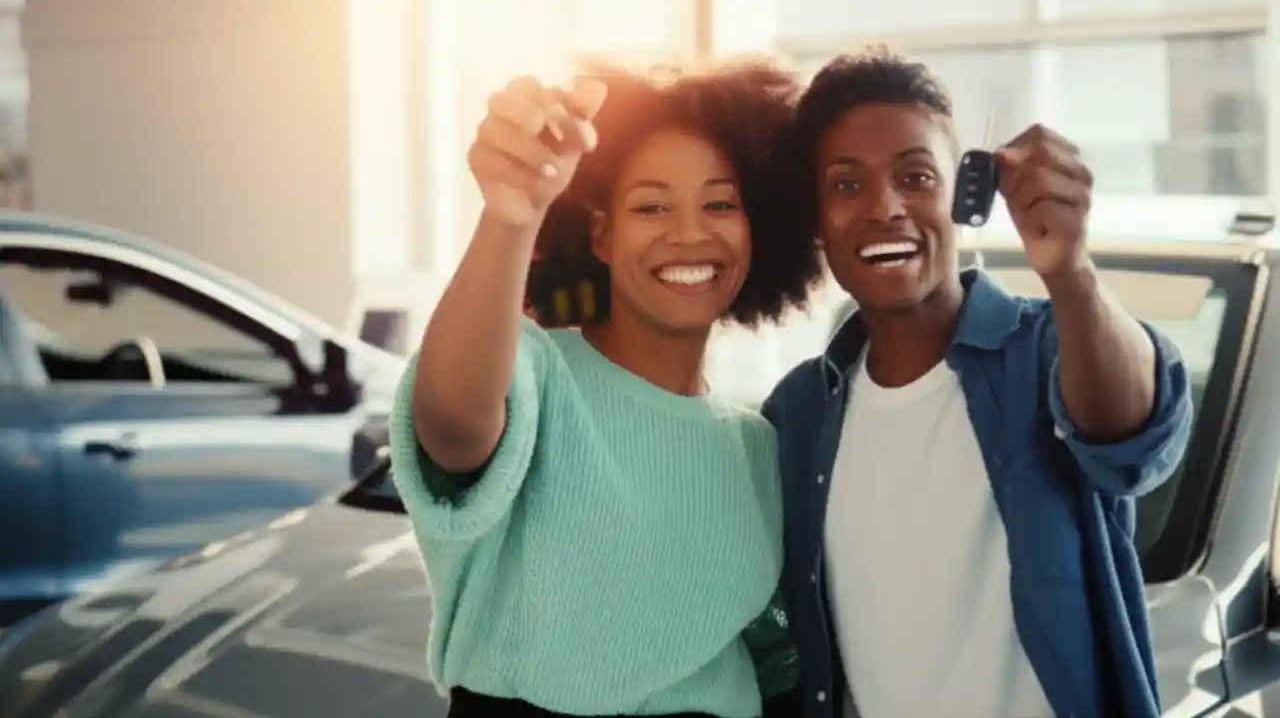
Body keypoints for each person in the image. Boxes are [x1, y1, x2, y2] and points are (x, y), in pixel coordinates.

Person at [763, 50, 1193, 718]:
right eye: (847, 186)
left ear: (965, 193)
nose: (885, 207)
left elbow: (1133, 441)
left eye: (916, 176)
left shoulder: (1050, 346)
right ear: (818, 223)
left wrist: (1071, 272)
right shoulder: (798, 413)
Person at [388, 61, 820, 718]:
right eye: (651, 205)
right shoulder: (535, 373)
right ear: (601, 234)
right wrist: (512, 216)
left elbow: (774, 660)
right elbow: (452, 425)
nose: (689, 232)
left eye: (720, 203)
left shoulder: (757, 447)